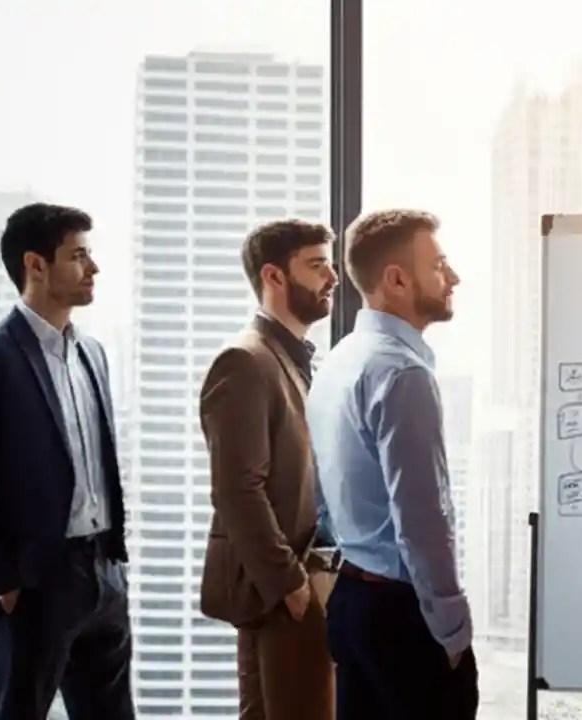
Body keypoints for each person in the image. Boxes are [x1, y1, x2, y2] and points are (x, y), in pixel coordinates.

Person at [0, 203, 134, 720]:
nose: (93, 268)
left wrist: (113, 563)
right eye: (79, 256)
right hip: (35, 581)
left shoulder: (91, 352)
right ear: (35, 265)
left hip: (104, 574)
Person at [306, 209, 476, 719]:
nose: (453, 277)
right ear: (397, 280)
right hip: (402, 617)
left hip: (352, 604)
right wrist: (451, 628)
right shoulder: (402, 373)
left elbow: (324, 499)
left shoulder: (339, 360)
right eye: (439, 265)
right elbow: (421, 517)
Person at [198, 219, 339, 720]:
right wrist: (292, 586)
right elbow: (238, 492)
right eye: (317, 265)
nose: (333, 277)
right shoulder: (245, 362)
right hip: (281, 593)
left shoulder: (294, 360)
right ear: (274, 276)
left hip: (304, 583)